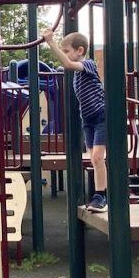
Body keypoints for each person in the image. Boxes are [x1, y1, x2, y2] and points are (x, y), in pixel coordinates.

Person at [40, 28, 108, 212]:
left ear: (80, 50)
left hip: (102, 115)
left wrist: (51, 42)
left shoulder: (89, 64)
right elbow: (68, 64)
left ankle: (101, 195)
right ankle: (100, 195)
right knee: (94, 160)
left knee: (97, 157)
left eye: (67, 50)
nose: (65, 55)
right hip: (88, 119)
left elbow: (69, 64)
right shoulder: (78, 72)